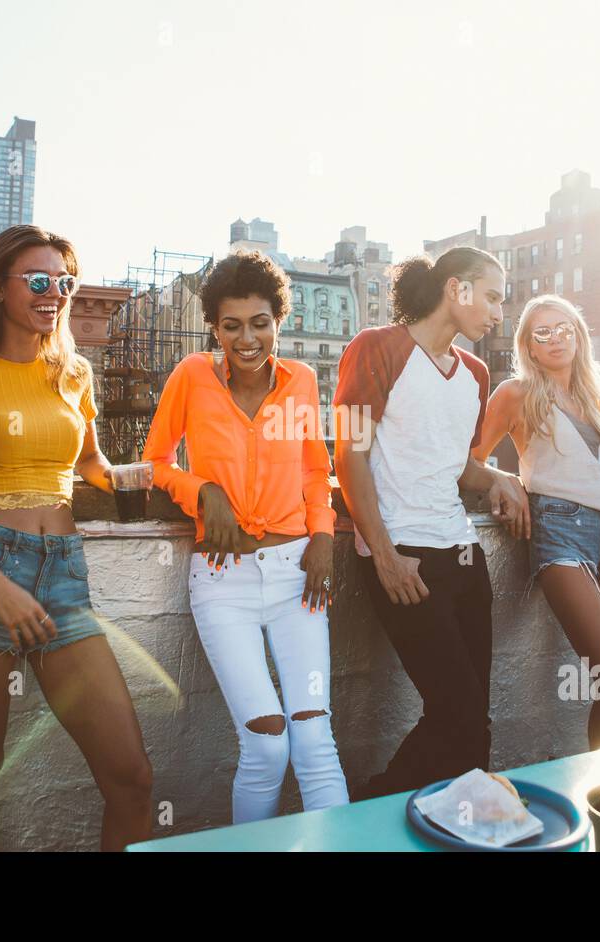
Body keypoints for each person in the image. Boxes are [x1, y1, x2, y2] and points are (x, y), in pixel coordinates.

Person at [0, 224, 152, 851]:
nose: (56, 293)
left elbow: (87, 462)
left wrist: (130, 476)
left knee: (131, 776)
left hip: (63, 578)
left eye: (65, 282)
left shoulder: (73, 374)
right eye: (39, 280)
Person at [144, 251, 347, 823]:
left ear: (277, 319)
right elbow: (155, 461)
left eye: (260, 322)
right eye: (231, 326)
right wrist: (202, 490)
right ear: (215, 327)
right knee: (265, 743)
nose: (247, 337)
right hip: (223, 581)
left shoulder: (300, 381)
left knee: (315, 742)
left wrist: (323, 535)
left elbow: (313, 470)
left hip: (298, 577)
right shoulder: (192, 376)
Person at [333, 246, 529, 800]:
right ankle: (369, 811)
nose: (497, 312)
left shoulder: (476, 372)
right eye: (491, 296)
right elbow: (347, 455)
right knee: (457, 710)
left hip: (465, 558)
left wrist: (498, 480)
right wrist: (385, 553)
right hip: (405, 556)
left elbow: (457, 464)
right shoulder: (375, 348)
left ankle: (459, 824)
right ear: (455, 290)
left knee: (473, 717)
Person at [474, 295, 600, 749]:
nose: (555, 339)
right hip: (559, 532)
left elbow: (594, 468)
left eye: (564, 329)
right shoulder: (515, 393)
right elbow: (470, 460)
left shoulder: (589, 390)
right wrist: (504, 480)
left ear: (578, 337)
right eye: (543, 333)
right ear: (529, 347)